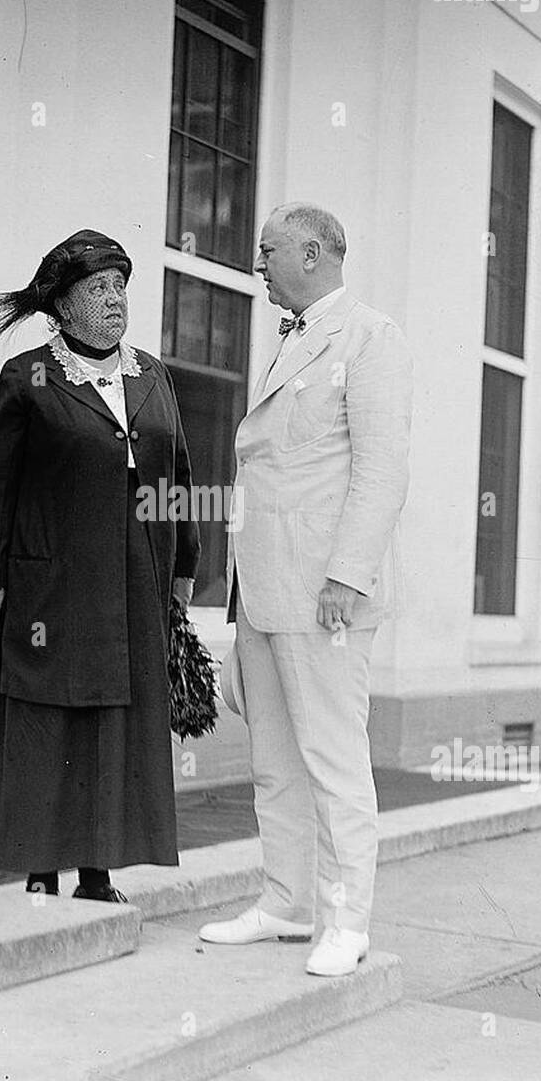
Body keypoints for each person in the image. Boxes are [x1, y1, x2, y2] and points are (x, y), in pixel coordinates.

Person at [0, 229, 200, 901]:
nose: (115, 299)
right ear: (62, 305)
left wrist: (183, 565)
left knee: (110, 730)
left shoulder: (151, 374)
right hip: (53, 582)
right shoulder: (29, 375)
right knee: (47, 723)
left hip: (133, 580)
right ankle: (41, 870)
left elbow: (177, 475)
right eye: (98, 288)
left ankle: (97, 873)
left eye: (121, 286)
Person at [199, 203, 412, 974]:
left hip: (325, 596)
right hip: (264, 593)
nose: (257, 265)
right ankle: (285, 905)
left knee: (333, 762)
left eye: (268, 250)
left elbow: (381, 471)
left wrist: (346, 578)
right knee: (275, 763)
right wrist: (237, 596)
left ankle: (347, 922)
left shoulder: (370, 338)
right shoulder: (290, 340)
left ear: (314, 253)